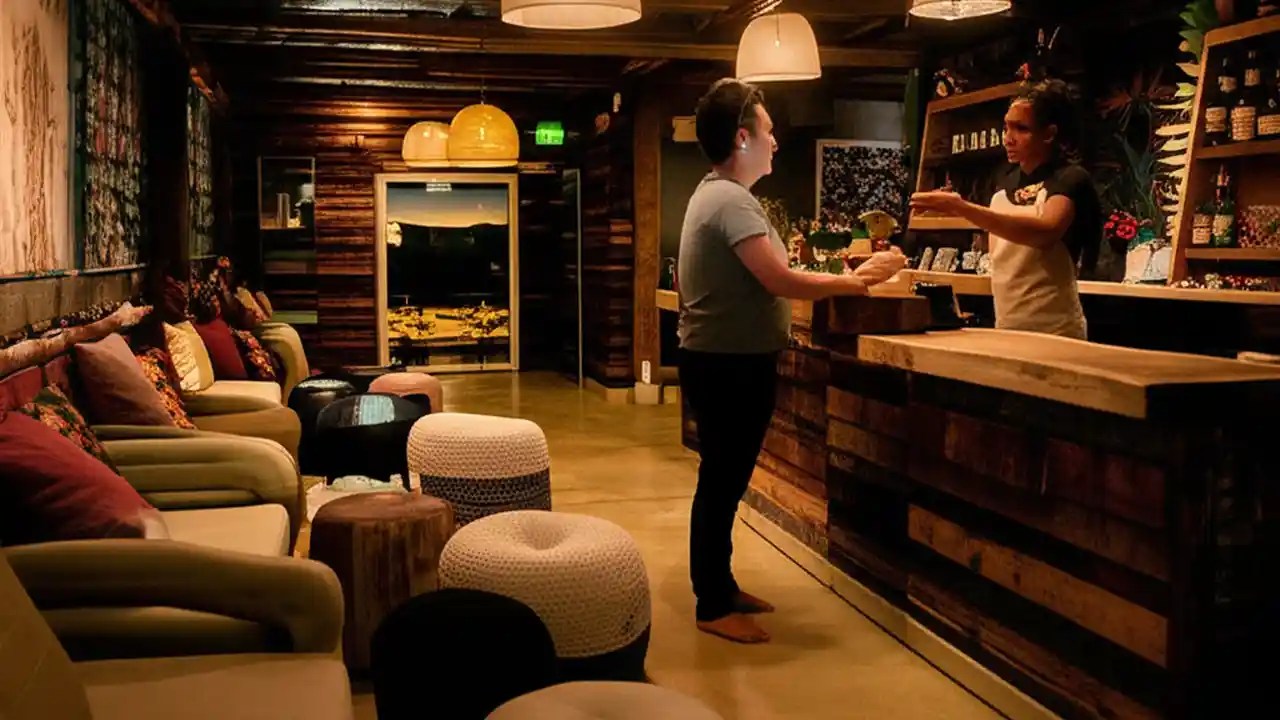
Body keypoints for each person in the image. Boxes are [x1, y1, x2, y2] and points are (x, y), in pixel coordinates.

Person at [677, 78, 906, 644]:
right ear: (742, 136)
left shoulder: (717, 194)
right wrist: (850, 284)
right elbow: (778, 279)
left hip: (723, 360)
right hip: (729, 364)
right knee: (721, 481)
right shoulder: (730, 199)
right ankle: (711, 603)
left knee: (723, 480)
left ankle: (721, 586)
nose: (777, 142)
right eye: (770, 131)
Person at [910, 79, 1100, 340]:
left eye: (1021, 128)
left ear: (1049, 133)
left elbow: (1045, 233)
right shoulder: (1004, 182)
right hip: (1008, 325)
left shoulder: (1069, 178)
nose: (1008, 138)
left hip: (1056, 331)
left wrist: (962, 208)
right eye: (1006, 127)